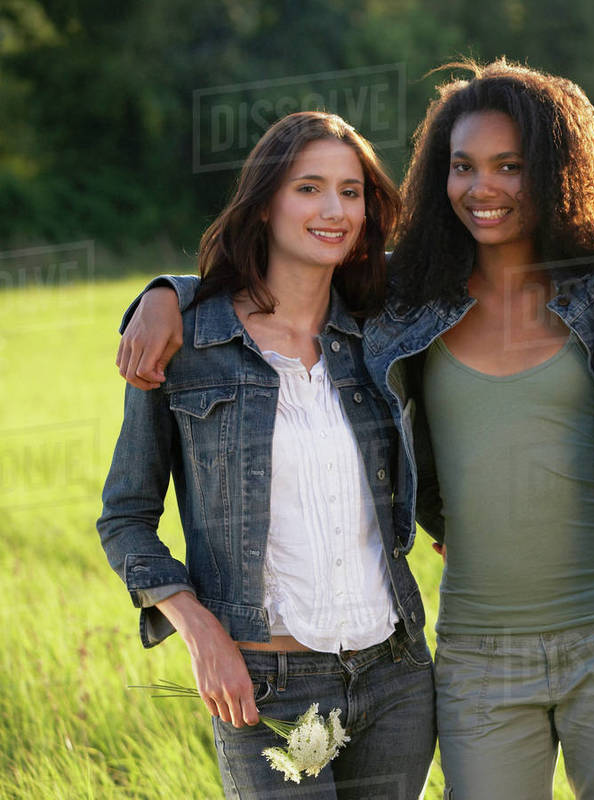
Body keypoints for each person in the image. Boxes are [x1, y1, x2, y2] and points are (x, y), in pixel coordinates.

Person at [114, 61, 594, 800]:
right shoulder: (407, 297)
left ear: (551, 171)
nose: (483, 188)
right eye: (463, 168)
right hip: (478, 655)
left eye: (509, 167)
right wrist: (171, 294)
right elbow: (294, 268)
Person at [97, 111, 436, 799]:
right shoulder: (189, 345)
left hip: (396, 677)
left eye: (351, 191)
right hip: (267, 688)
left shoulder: (375, 331)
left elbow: (477, 266)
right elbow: (125, 517)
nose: (334, 209)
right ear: (264, 205)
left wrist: (167, 287)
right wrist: (199, 631)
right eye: (308, 188)